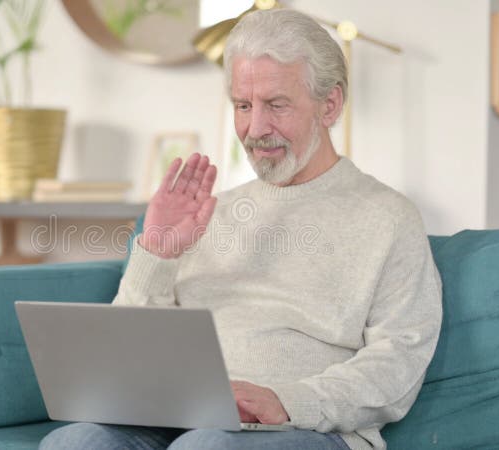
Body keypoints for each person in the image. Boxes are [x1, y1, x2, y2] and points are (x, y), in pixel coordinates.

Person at [40, 7, 442, 450]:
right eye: (243, 106)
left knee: (206, 446)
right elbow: (125, 359)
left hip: (306, 429)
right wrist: (158, 250)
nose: (255, 129)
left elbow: (399, 361)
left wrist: (287, 401)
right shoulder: (208, 213)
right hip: (182, 420)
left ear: (329, 105)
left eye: (277, 105)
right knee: (74, 442)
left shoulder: (388, 217)